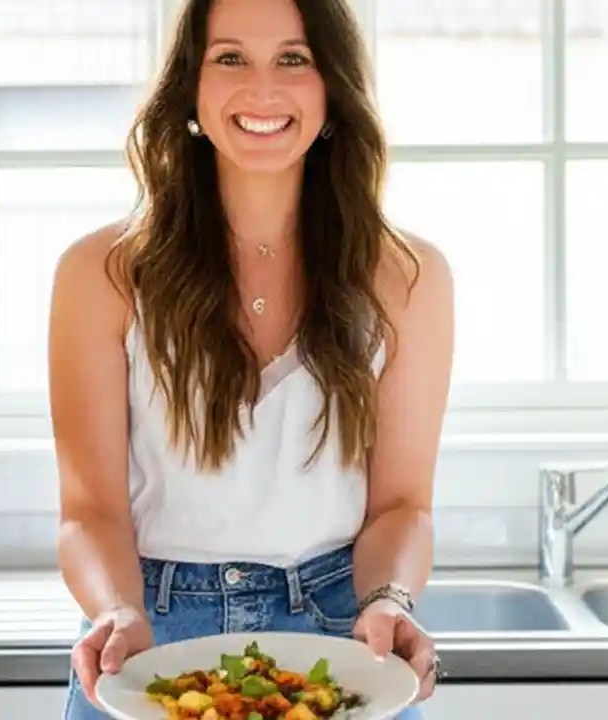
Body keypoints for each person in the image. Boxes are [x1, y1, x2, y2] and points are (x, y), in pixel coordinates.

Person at [49, 0, 454, 716]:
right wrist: (116, 609)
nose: (262, 89)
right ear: (191, 90)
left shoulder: (408, 277)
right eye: (230, 57)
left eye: (293, 59)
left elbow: (401, 505)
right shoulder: (102, 274)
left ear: (333, 89)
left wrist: (390, 599)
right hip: (149, 640)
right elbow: (90, 511)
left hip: (345, 642)